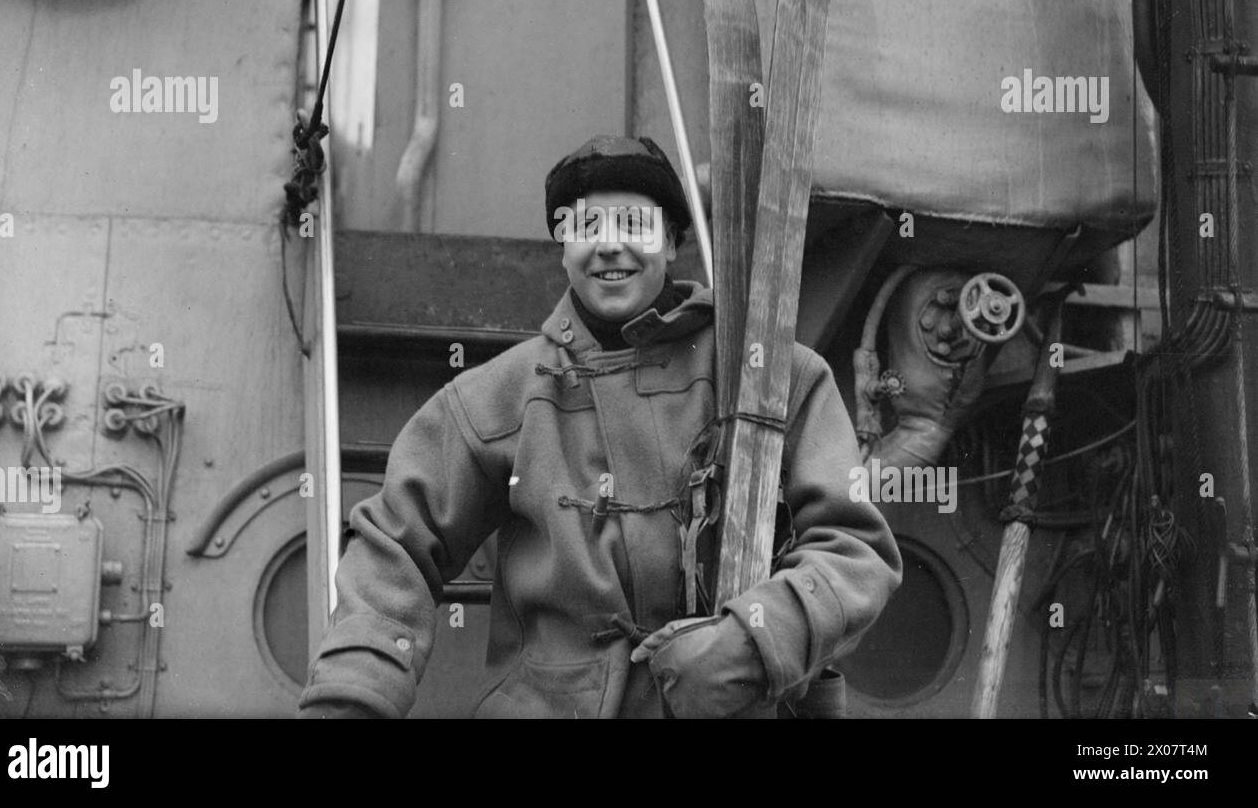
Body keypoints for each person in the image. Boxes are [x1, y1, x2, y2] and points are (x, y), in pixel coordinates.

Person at [298, 135, 901, 719]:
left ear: (672, 244)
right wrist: (355, 689)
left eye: (636, 227)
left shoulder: (775, 375)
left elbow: (855, 552)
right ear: (562, 249)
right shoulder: (502, 395)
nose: (609, 246)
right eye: (585, 228)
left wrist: (750, 645)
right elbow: (395, 542)